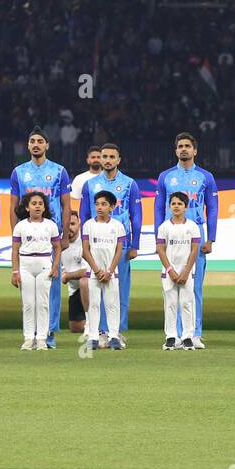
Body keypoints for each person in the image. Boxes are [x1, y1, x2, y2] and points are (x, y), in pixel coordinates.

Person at [153, 133, 218, 348]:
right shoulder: (165, 176)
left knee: (194, 286)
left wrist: (212, 238)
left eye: (187, 146)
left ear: (195, 150)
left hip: (196, 231)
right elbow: (158, 207)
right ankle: (174, 334)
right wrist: (157, 237)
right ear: (175, 150)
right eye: (180, 146)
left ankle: (194, 333)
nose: (184, 149)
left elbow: (213, 208)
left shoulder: (205, 177)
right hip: (171, 234)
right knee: (171, 286)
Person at [9, 126, 72, 349]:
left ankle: (49, 334)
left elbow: (66, 205)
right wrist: (15, 231)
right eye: (32, 141)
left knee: (50, 291)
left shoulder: (59, 171)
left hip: (50, 234)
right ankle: (30, 336)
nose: (36, 144)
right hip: (27, 236)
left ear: (47, 145)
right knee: (29, 297)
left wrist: (64, 235)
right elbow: (13, 204)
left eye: (40, 141)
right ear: (28, 146)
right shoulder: (18, 172)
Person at [77, 143, 141, 342]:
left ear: (118, 160)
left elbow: (136, 215)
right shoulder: (90, 184)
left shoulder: (130, 184)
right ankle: (100, 332)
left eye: (112, 157)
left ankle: (116, 331)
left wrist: (135, 244)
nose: (107, 160)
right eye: (104, 156)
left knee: (119, 289)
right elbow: (84, 214)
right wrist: (84, 243)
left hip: (120, 244)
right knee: (97, 288)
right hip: (96, 244)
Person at [11, 190, 61, 352]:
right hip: (25, 265)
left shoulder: (51, 225)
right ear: (27, 207)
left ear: (45, 207)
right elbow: (14, 250)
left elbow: (58, 248)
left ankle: (41, 338)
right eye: (34, 204)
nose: (37, 207)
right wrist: (15, 271)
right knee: (28, 303)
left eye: (40, 204)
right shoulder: (20, 226)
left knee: (43, 303)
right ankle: (28, 338)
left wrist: (55, 267)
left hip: (44, 264)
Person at [156, 191, 201, 351]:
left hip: (187, 273)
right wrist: (171, 271)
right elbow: (160, 250)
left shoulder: (193, 227)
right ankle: (171, 337)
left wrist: (186, 272)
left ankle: (188, 337)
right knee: (170, 303)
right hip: (169, 273)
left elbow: (195, 250)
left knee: (187, 303)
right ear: (169, 206)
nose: (176, 206)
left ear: (186, 207)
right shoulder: (164, 227)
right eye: (173, 203)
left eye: (180, 204)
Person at [81, 190, 127, 350]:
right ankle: (93, 337)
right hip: (93, 273)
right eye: (97, 204)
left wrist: (109, 270)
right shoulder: (88, 225)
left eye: (104, 204)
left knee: (112, 304)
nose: (99, 207)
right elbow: (85, 250)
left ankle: (114, 336)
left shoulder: (118, 226)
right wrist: (97, 270)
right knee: (93, 304)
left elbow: (118, 251)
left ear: (112, 207)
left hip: (111, 274)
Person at [60, 211, 88, 336]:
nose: (69, 228)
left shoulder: (84, 242)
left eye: (72, 224)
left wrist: (67, 276)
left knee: (84, 281)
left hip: (89, 287)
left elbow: (87, 272)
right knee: (75, 328)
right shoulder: (58, 243)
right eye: (67, 224)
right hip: (73, 290)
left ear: (79, 224)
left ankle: (92, 323)